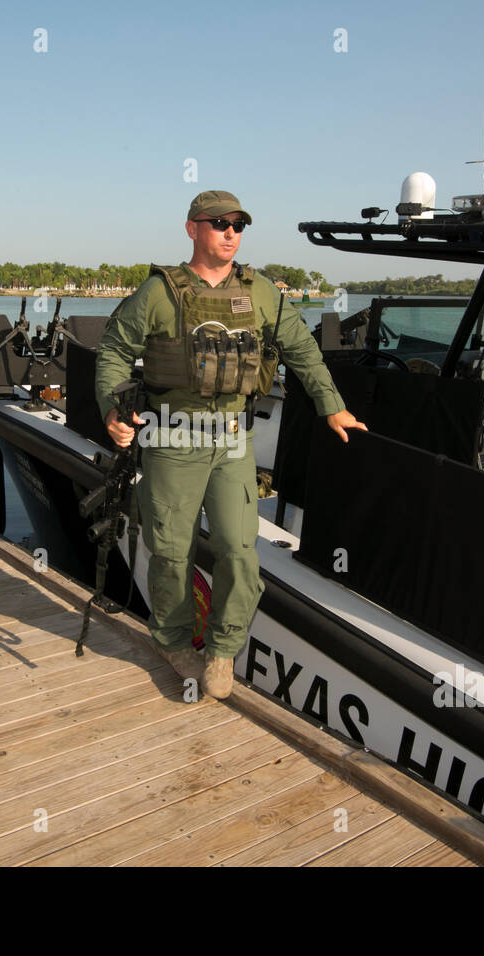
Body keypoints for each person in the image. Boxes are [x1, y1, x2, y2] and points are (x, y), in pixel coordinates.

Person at [95, 190, 366, 699]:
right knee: (171, 552)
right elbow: (113, 350)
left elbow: (300, 348)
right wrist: (112, 409)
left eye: (239, 223)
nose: (230, 232)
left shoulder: (261, 291)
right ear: (192, 229)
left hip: (234, 442)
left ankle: (221, 651)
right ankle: (174, 643)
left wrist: (331, 405)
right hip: (173, 440)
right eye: (218, 223)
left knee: (240, 552)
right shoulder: (158, 293)